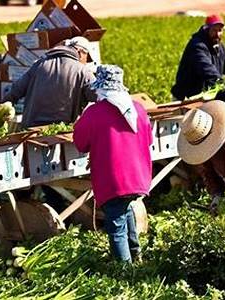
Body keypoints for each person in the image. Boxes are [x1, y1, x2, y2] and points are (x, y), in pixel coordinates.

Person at [73, 65, 153, 263]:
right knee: (125, 212)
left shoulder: (94, 113)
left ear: (100, 88)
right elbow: (149, 140)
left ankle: (125, 272)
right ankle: (137, 257)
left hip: (114, 179)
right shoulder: (138, 109)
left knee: (116, 224)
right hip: (138, 176)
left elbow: (80, 144)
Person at [3, 36, 97, 128]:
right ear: (80, 52)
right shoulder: (83, 71)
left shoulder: (40, 64)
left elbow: (18, 89)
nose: (86, 62)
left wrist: (3, 106)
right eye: (87, 58)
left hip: (32, 127)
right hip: (61, 128)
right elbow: (97, 95)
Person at [171, 14, 225, 101]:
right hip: (186, 98)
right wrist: (219, 82)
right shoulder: (197, 45)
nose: (218, 34)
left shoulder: (220, 47)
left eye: (220, 30)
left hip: (202, 98)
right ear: (207, 29)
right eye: (214, 30)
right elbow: (206, 68)